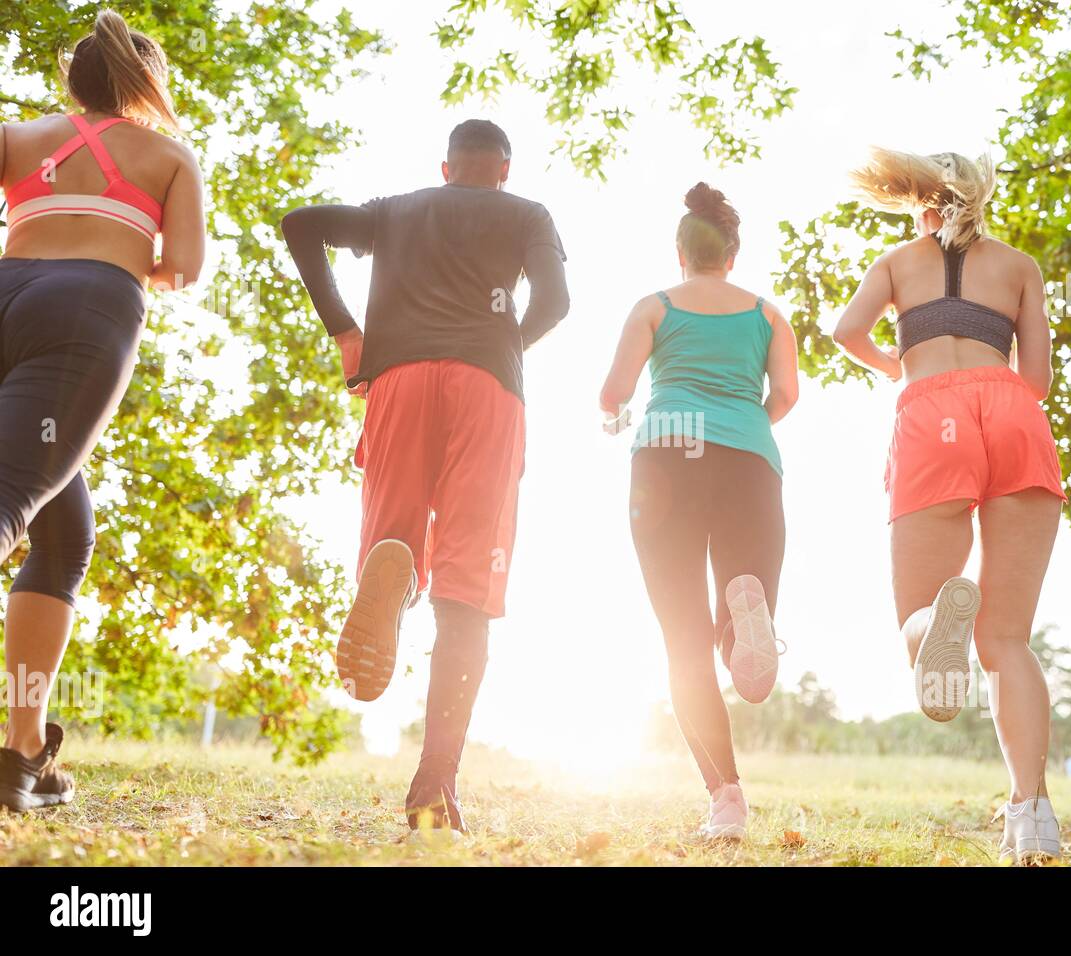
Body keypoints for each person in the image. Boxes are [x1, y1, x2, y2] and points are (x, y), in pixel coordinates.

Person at [281, 119, 569, 836]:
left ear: (445, 167)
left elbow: (301, 224)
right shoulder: (526, 213)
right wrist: (505, 344)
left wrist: (347, 330)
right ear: (504, 169)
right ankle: (434, 785)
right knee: (468, 589)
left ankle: (396, 578)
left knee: (395, 537)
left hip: (399, 380)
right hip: (488, 391)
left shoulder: (398, 209)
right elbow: (557, 302)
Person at [832, 148, 1066, 863]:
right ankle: (1032, 816)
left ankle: (937, 621)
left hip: (931, 414)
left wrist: (901, 366)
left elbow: (846, 331)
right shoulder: (1019, 265)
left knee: (913, 609)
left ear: (918, 198)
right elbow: (1039, 379)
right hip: (1012, 413)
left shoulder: (898, 262)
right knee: (1008, 641)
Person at [0, 9, 204, 812]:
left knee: (62, 528)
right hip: (85, 313)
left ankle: (22, 752)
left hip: (5, 291)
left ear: (71, 83)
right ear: (142, 85)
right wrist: (117, 248)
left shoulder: (18, 137)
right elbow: (182, 266)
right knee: (12, 500)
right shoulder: (169, 155)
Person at [599, 183, 798, 840]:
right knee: (741, 604)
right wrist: (744, 422)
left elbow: (614, 392)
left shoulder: (654, 307)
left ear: (679, 253)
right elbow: (787, 395)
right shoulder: (769, 315)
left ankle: (726, 799)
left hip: (663, 458)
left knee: (683, 642)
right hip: (748, 458)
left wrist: (615, 417)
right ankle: (747, 619)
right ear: (732, 255)